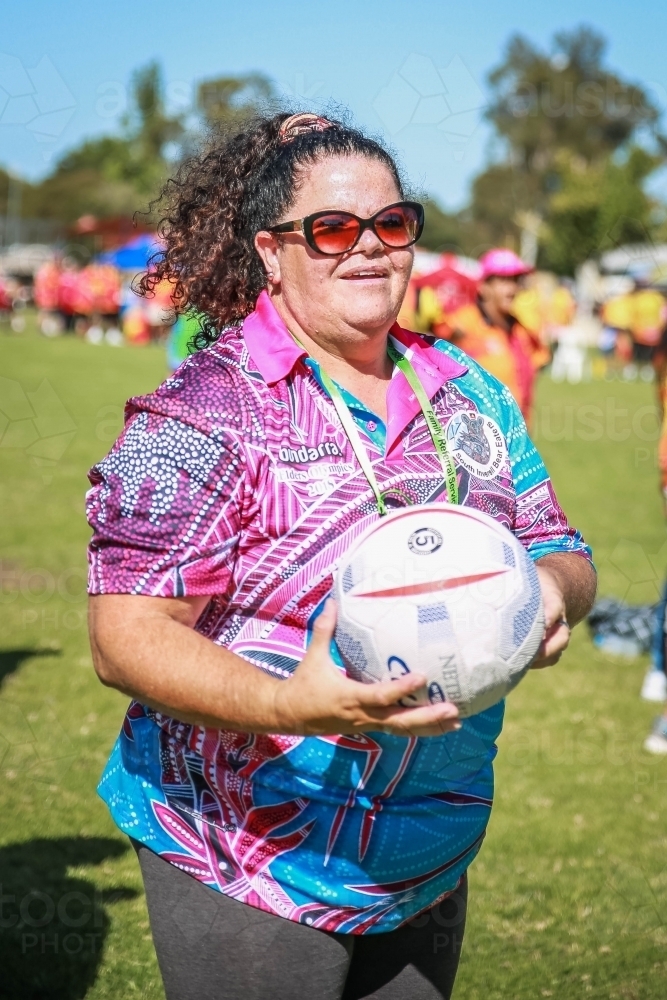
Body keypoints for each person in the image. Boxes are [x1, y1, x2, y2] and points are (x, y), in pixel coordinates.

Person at [86, 111, 597, 1000]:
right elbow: (123, 636)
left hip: (430, 842)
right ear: (272, 252)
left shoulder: (469, 390)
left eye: (391, 224)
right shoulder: (202, 414)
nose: (369, 249)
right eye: (332, 229)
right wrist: (291, 702)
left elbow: (558, 543)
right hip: (249, 851)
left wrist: (547, 591)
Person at [434, 249, 549, 426]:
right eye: (503, 281)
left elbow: (540, 360)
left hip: (518, 436)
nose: (512, 289)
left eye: (515, 281)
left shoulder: (522, 330)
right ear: (484, 287)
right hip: (473, 437)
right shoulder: (464, 323)